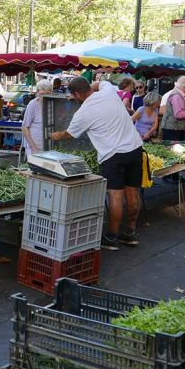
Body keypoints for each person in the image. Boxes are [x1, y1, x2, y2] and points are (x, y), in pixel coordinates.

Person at [49, 77, 143, 250]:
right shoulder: (109, 92)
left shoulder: (83, 112)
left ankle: (112, 236)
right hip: (135, 148)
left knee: (116, 196)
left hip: (113, 155)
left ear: (76, 94)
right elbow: (101, 83)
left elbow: (69, 134)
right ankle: (130, 232)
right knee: (133, 193)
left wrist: (57, 135)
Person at [22, 79, 53, 156]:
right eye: (41, 94)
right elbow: (25, 127)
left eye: (47, 94)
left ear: (51, 93)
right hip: (34, 146)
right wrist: (33, 148)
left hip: (48, 146)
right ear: (37, 92)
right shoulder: (33, 104)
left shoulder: (52, 103)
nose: (44, 96)